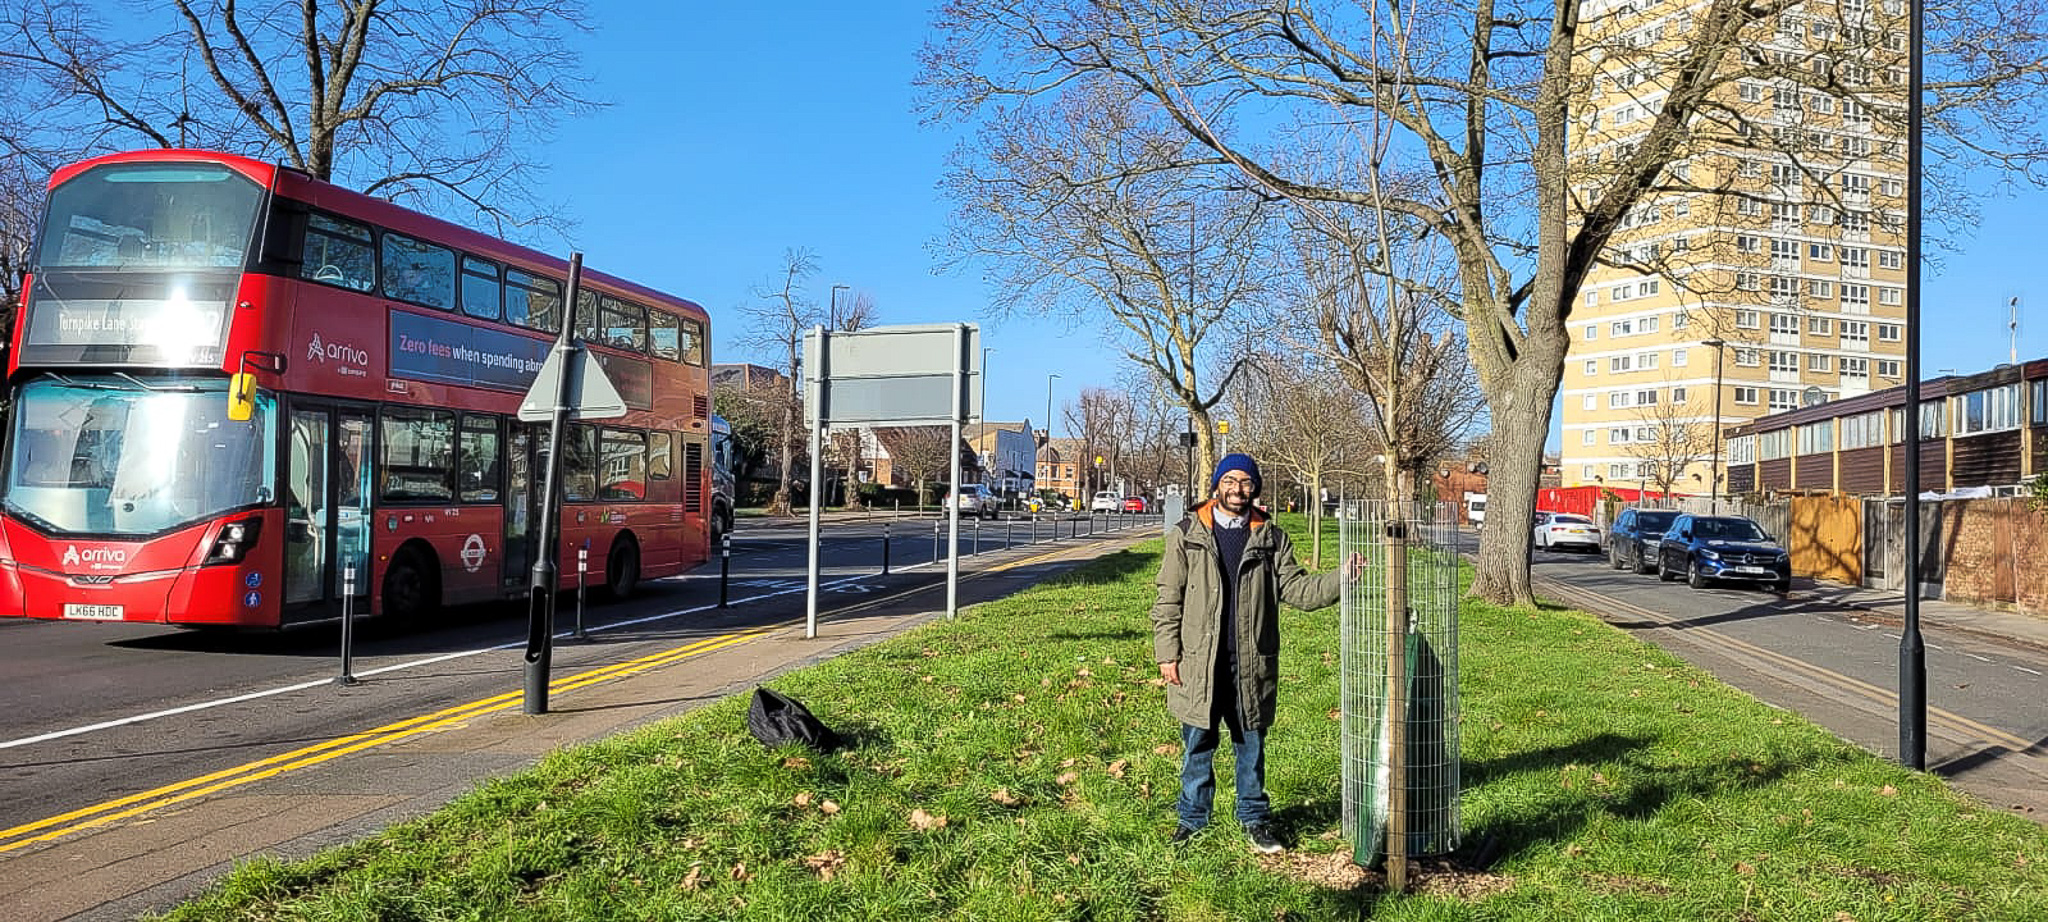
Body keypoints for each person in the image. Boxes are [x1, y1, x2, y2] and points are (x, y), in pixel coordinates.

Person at [1150, 452, 1359, 854]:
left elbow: (1298, 590)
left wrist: (1342, 578)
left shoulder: (1271, 538)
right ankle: (1192, 820)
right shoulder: (1187, 534)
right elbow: (1168, 598)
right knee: (1197, 746)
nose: (1237, 489)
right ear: (1216, 486)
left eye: (1245, 482)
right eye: (1229, 481)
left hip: (1250, 662)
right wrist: (1167, 653)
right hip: (1199, 662)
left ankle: (1254, 819)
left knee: (1251, 748)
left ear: (1255, 488)